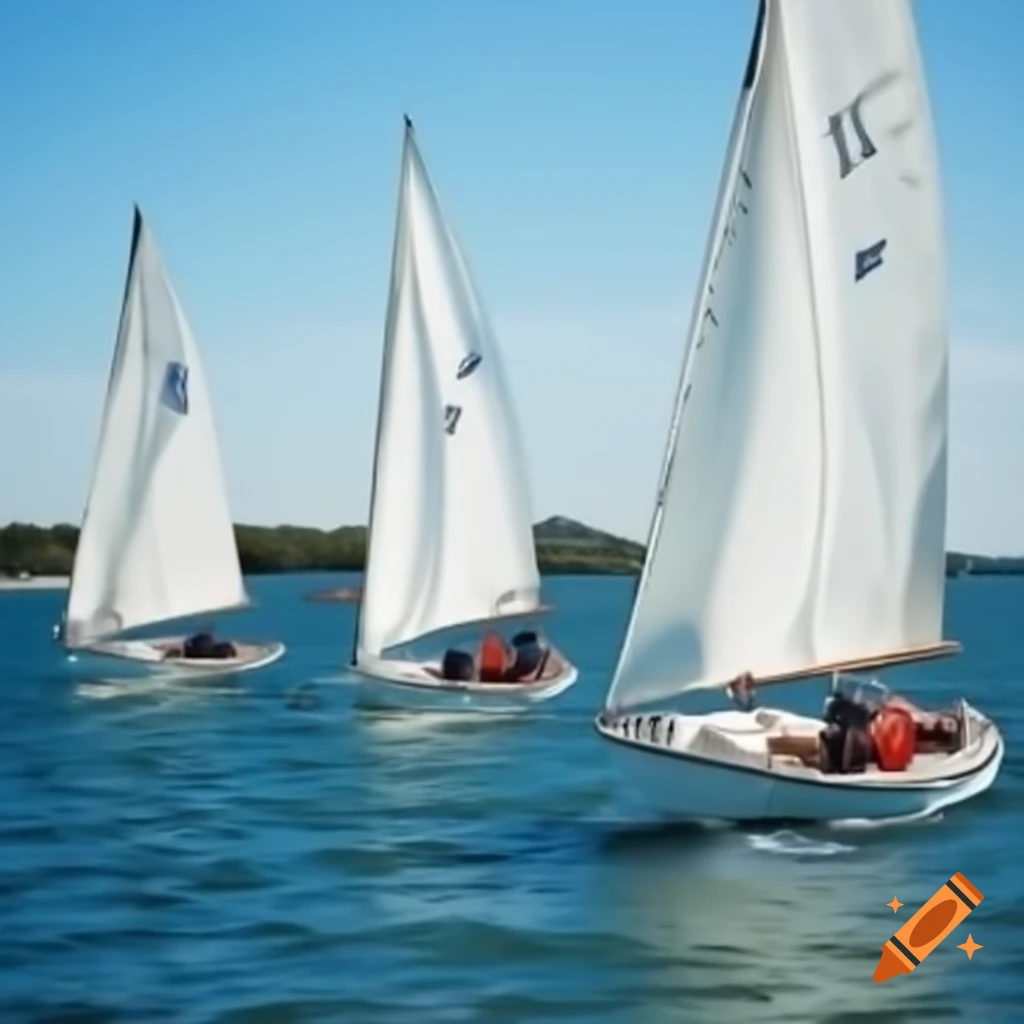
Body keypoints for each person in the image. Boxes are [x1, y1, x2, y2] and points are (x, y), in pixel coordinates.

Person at [726, 673, 962, 774]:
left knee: (791, 748)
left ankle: (743, 757)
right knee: (789, 746)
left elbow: (883, 709)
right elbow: (885, 703)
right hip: (847, 742)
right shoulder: (907, 719)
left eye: (943, 728)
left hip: (847, 744)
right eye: (944, 722)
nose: (939, 724)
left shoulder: (906, 738)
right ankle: (747, 755)